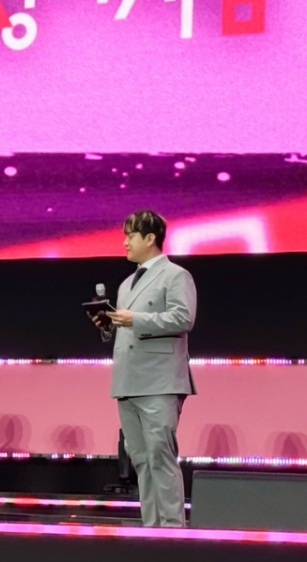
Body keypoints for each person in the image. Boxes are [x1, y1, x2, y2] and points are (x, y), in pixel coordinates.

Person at [97, 210, 197, 527]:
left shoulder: (176, 275)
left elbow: (183, 318)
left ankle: (173, 531)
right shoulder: (127, 283)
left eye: (131, 236)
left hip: (159, 380)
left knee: (160, 456)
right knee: (140, 459)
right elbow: (126, 329)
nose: (125, 242)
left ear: (150, 238)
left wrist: (136, 319)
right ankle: (151, 530)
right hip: (128, 380)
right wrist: (107, 325)